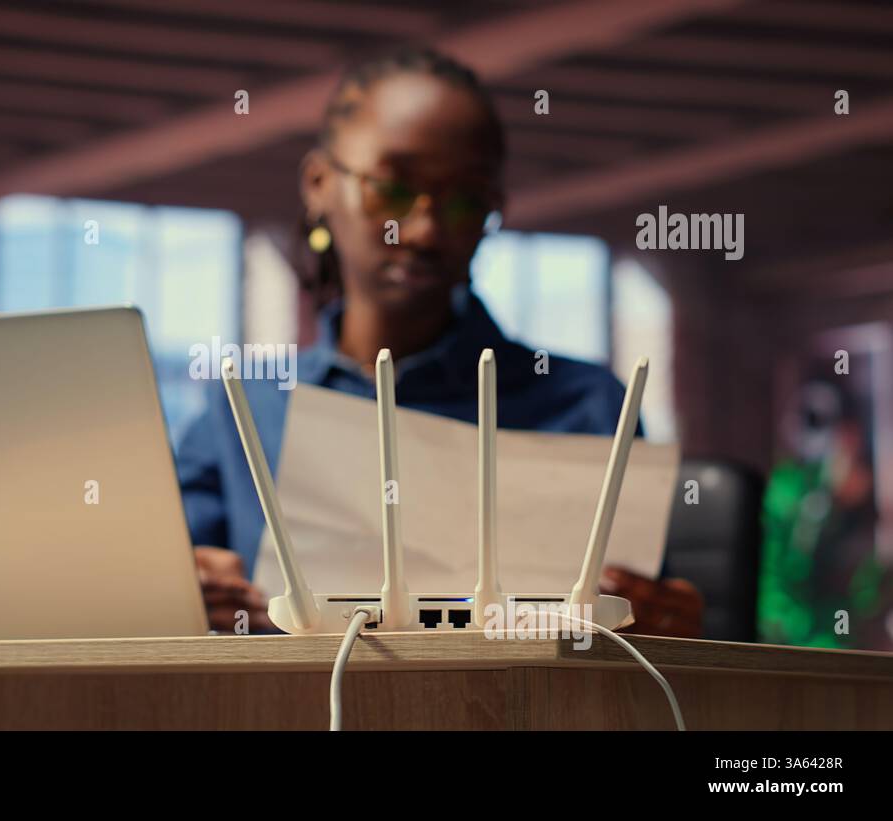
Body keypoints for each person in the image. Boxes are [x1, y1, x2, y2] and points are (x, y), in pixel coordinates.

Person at [175, 47, 702, 638]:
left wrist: (665, 624)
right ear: (320, 184)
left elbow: (643, 630)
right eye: (393, 189)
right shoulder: (248, 407)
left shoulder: (589, 404)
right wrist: (179, 594)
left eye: (465, 199)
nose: (425, 229)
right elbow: (160, 595)